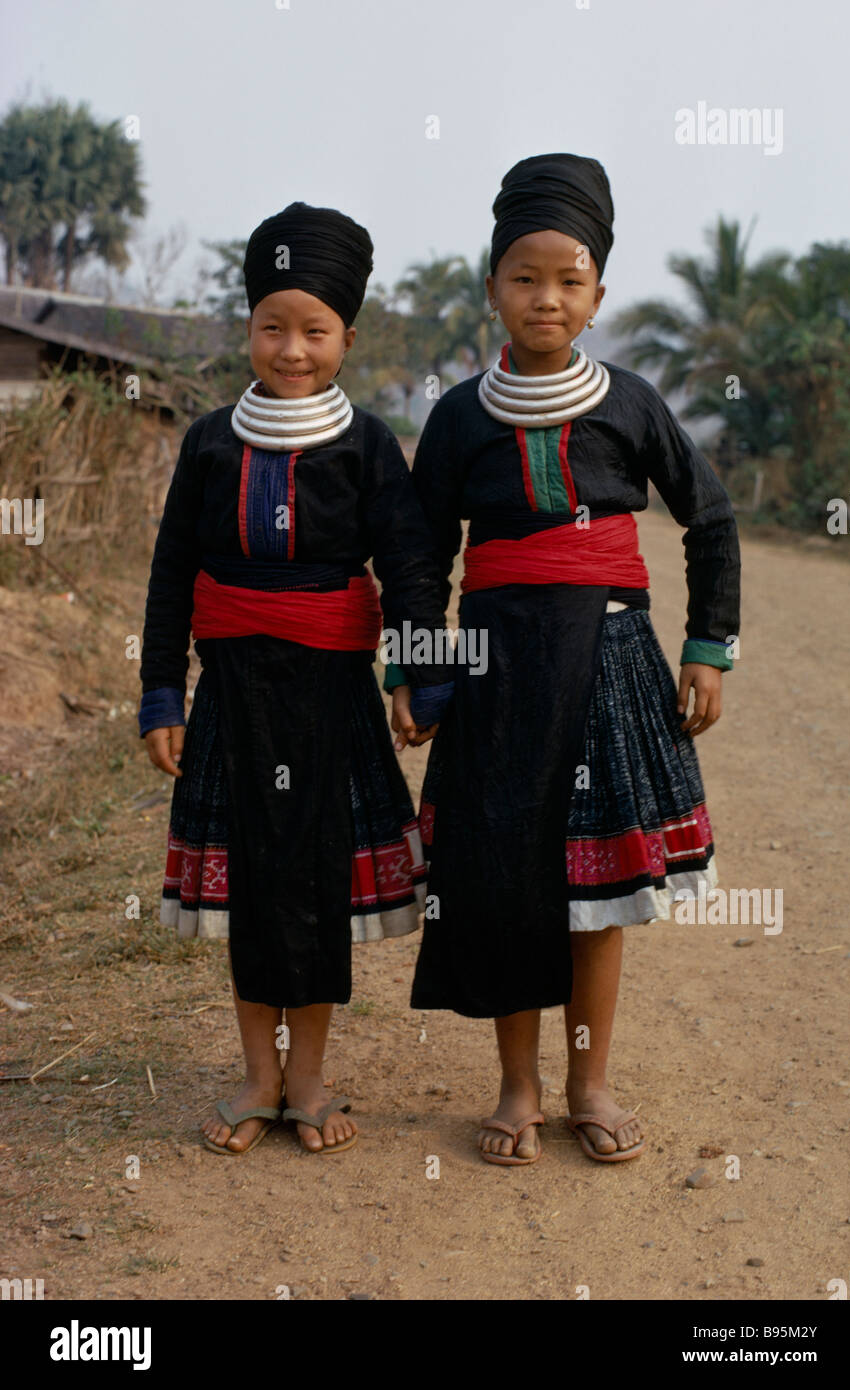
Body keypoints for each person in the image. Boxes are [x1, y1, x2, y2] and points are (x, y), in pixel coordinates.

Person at [389, 154, 740, 1166]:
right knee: (502, 876)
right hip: (498, 670)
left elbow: (707, 515)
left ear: (597, 293)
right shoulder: (458, 417)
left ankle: (590, 1079)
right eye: (523, 276)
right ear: (491, 284)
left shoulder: (630, 402)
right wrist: (418, 667)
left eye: (569, 279)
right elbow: (419, 553)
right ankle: (518, 1086)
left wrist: (706, 648)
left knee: (593, 887)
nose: (546, 297)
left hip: (610, 660)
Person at [139, 201, 451, 1156]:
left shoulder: (365, 447)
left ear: (346, 337)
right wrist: (163, 692)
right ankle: (255, 1079)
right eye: (272, 326)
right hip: (233, 691)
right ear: (246, 330)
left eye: (314, 330)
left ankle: (308, 1082)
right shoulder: (207, 443)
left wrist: (418, 675)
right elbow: (171, 572)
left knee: (311, 883)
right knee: (250, 885)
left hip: (327, 694)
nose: (292, 349)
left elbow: (410, 567)